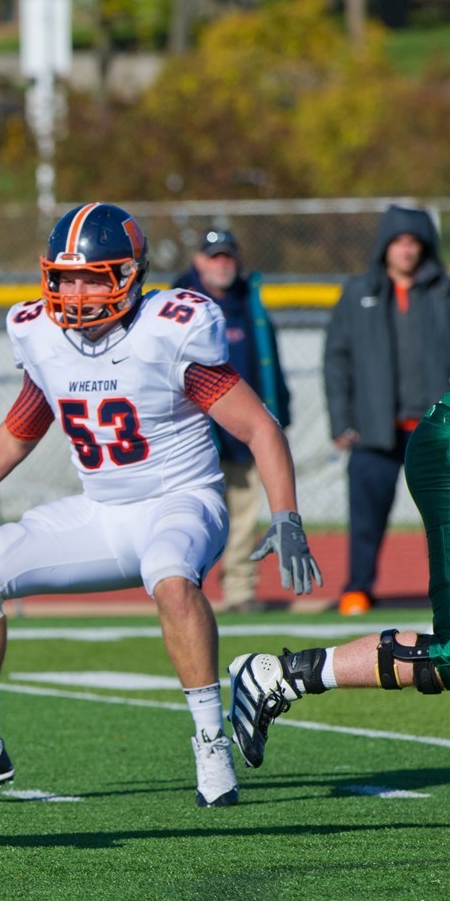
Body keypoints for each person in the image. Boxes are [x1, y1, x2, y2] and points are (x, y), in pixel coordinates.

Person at [0, 201, 320, 809]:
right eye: (64, 277)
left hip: (181, 501)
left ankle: (209, 739)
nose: (75, 291)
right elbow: (17, 432)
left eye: (91, 276)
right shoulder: (39, 331)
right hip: (102, 511)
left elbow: (259, 428)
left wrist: (287, 516)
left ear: (129, 274)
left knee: (171, 578)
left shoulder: (169, 329)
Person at [324, 206, 450, 617]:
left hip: (435, 431)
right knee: (365, 518)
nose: (406, 250)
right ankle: (358, 589)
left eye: (414, 242)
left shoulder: (442, 292)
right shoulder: (359, 290)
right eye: (398, 242)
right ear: (385, 246)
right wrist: (342, 421)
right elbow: (337, 360)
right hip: (375, 431)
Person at [172, 229, 292, 613]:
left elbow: (268, 362)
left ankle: (239, 591)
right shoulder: (177, 303)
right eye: (213, 256)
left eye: (227, 256)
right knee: (194, 517)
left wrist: (278, 410)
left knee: (243, 517)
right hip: (195, 434)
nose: (221, 264)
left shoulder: (249, 302)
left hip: (245, 434)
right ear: (197, 260)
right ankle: (183, 590)